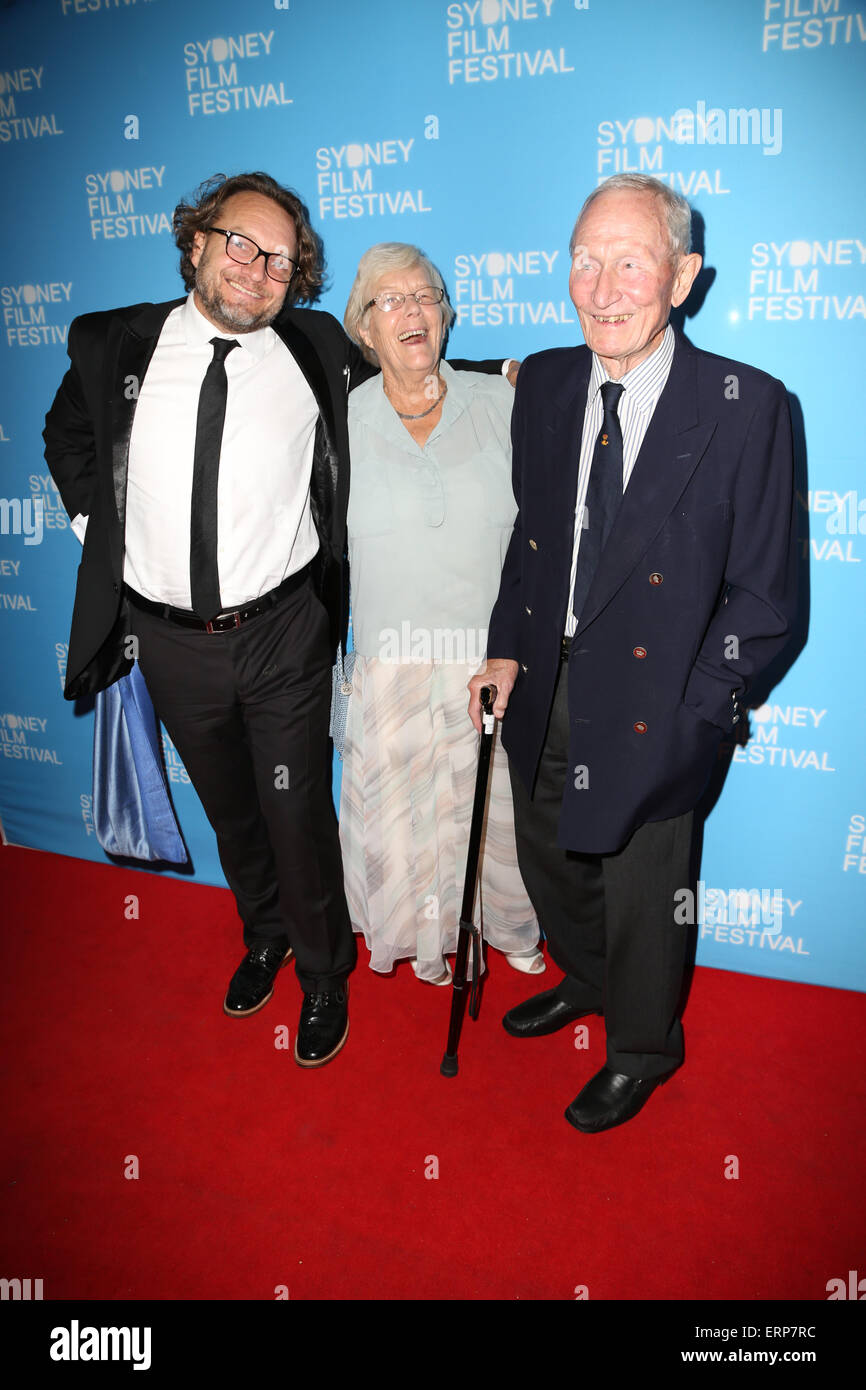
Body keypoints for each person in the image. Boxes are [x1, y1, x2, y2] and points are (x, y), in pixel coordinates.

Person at [469, 174, 797, 1131]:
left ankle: (645, 1044)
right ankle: (593, 978)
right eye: (583, 260)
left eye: (629, 262)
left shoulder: (747, 405)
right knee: (552, 856)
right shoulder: (549, 381)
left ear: (683, 276)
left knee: (648, 886)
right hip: (546, 677)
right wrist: (504, 649)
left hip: (664, 699)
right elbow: (534, 538)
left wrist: (703, 706)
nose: (601, 288)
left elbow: (769, 597)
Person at [339, 243, 542, 985]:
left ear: (447, 316)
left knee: (498, 830)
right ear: (364, 328)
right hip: (389, 667)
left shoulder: (505, 404)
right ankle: (426, 942)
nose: (412, 311)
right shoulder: (340, 420)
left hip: (487, 664)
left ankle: (512, 929)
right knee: (405, 831)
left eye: (426, 296)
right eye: (390, 301)